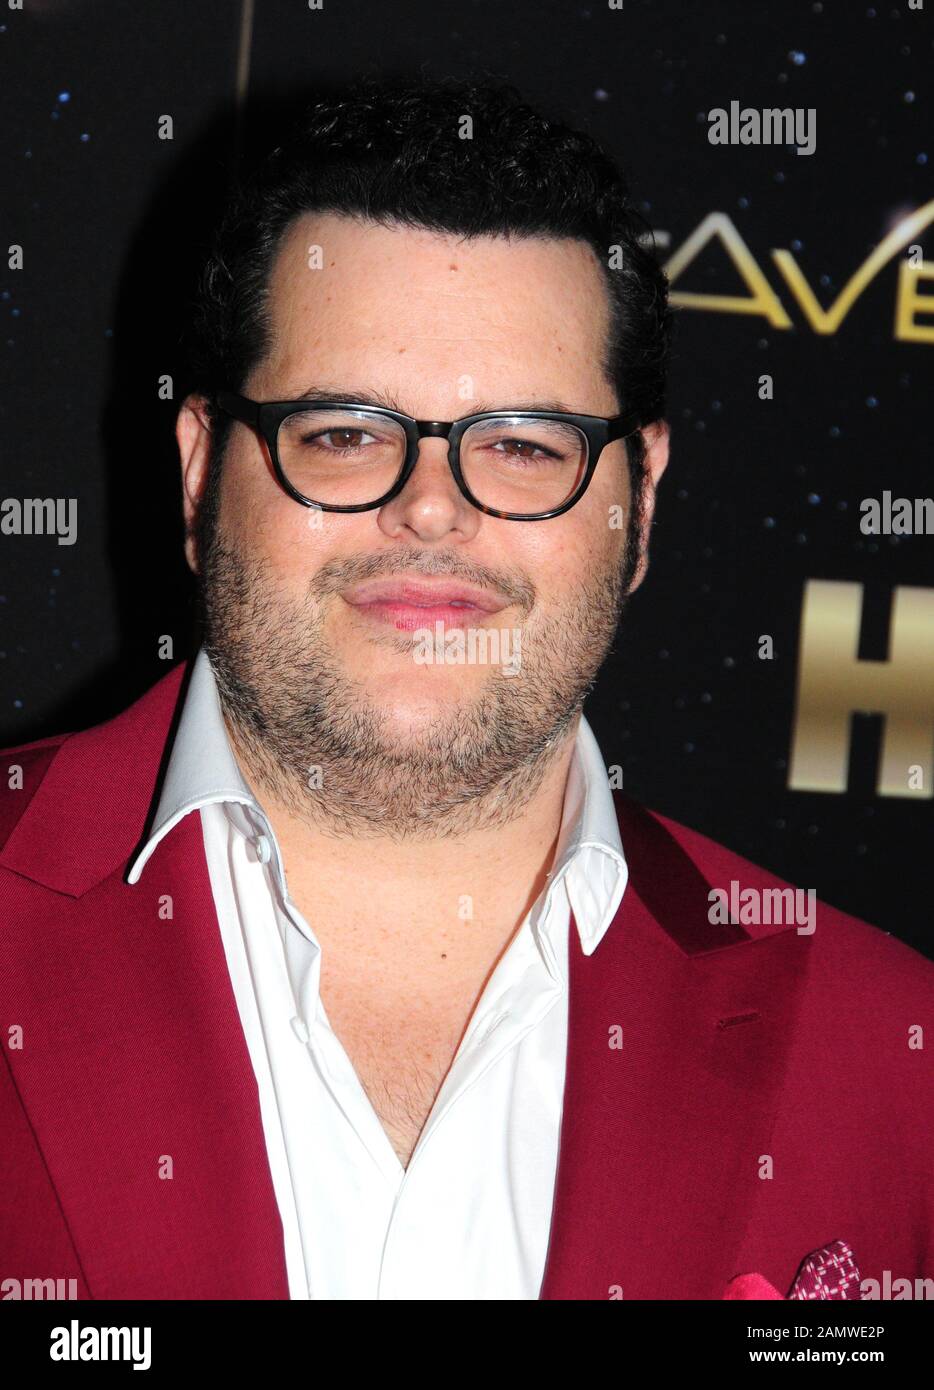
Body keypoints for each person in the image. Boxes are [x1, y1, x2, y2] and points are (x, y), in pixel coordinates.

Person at [1, 76, 931, 1302]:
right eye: (341, 432)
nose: (429, 508)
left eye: (523, 445)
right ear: (197, 474)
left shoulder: (887, 1059)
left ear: (639, 501)